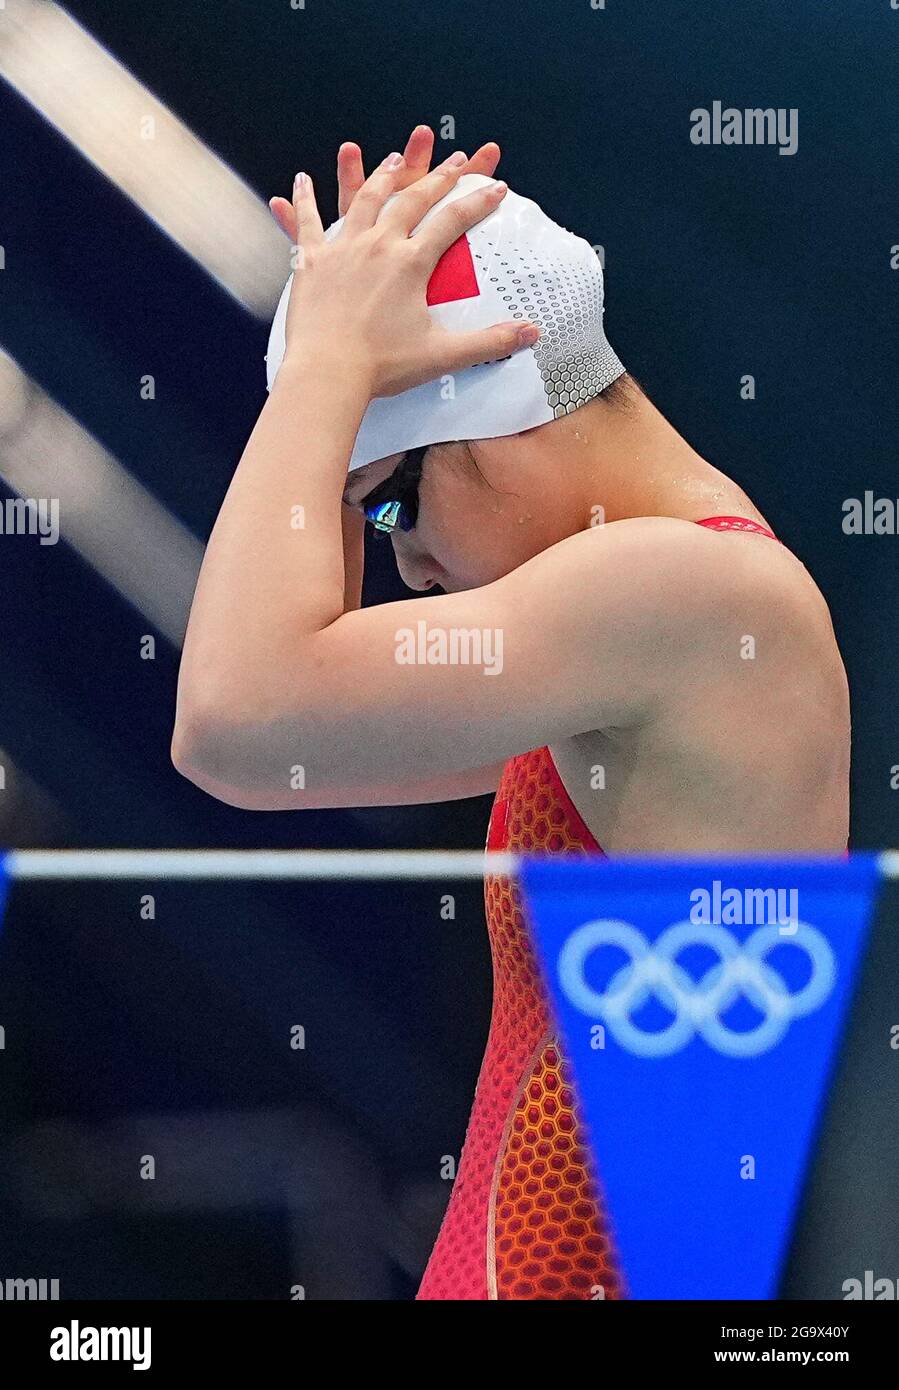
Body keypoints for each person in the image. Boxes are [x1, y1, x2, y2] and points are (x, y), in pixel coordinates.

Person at [172, 126, 850, 1299]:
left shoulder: (697, 596)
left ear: (496, 420)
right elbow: (284, 741)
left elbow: (236, 719)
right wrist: (326, 391)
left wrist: (331, 371)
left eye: (392, 514)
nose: (412, 572)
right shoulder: (655, 614)